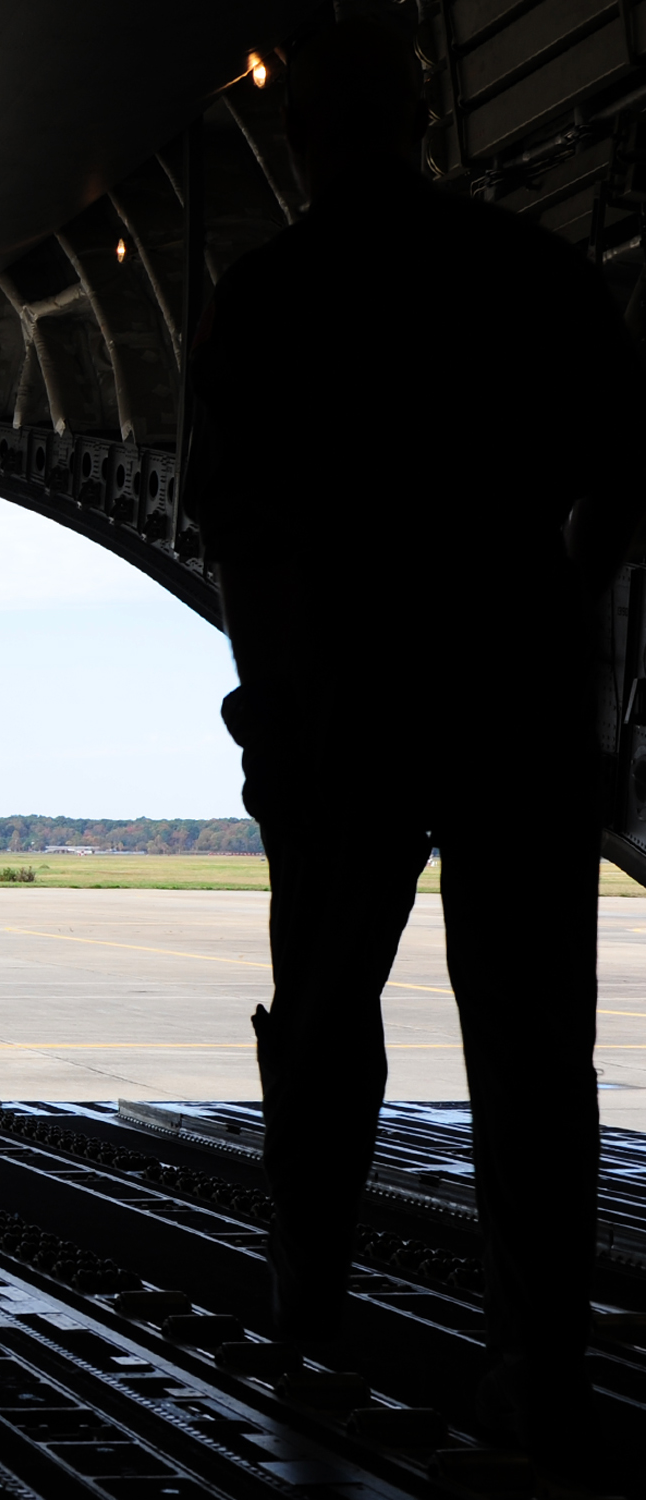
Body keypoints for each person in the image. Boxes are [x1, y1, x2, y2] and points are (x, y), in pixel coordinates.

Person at [189, 17, 646, 1482]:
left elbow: (241, 534)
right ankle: (542, 1370)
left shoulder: (265, 297)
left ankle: (306, 1303)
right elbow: (622, 477)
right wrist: (560, 612)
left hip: (344, 702)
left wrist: (274, 705)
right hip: (515, 695)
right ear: (426, 115)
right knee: (532, 1050)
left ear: (300, 134)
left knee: (323, 1023)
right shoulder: (539, 277)